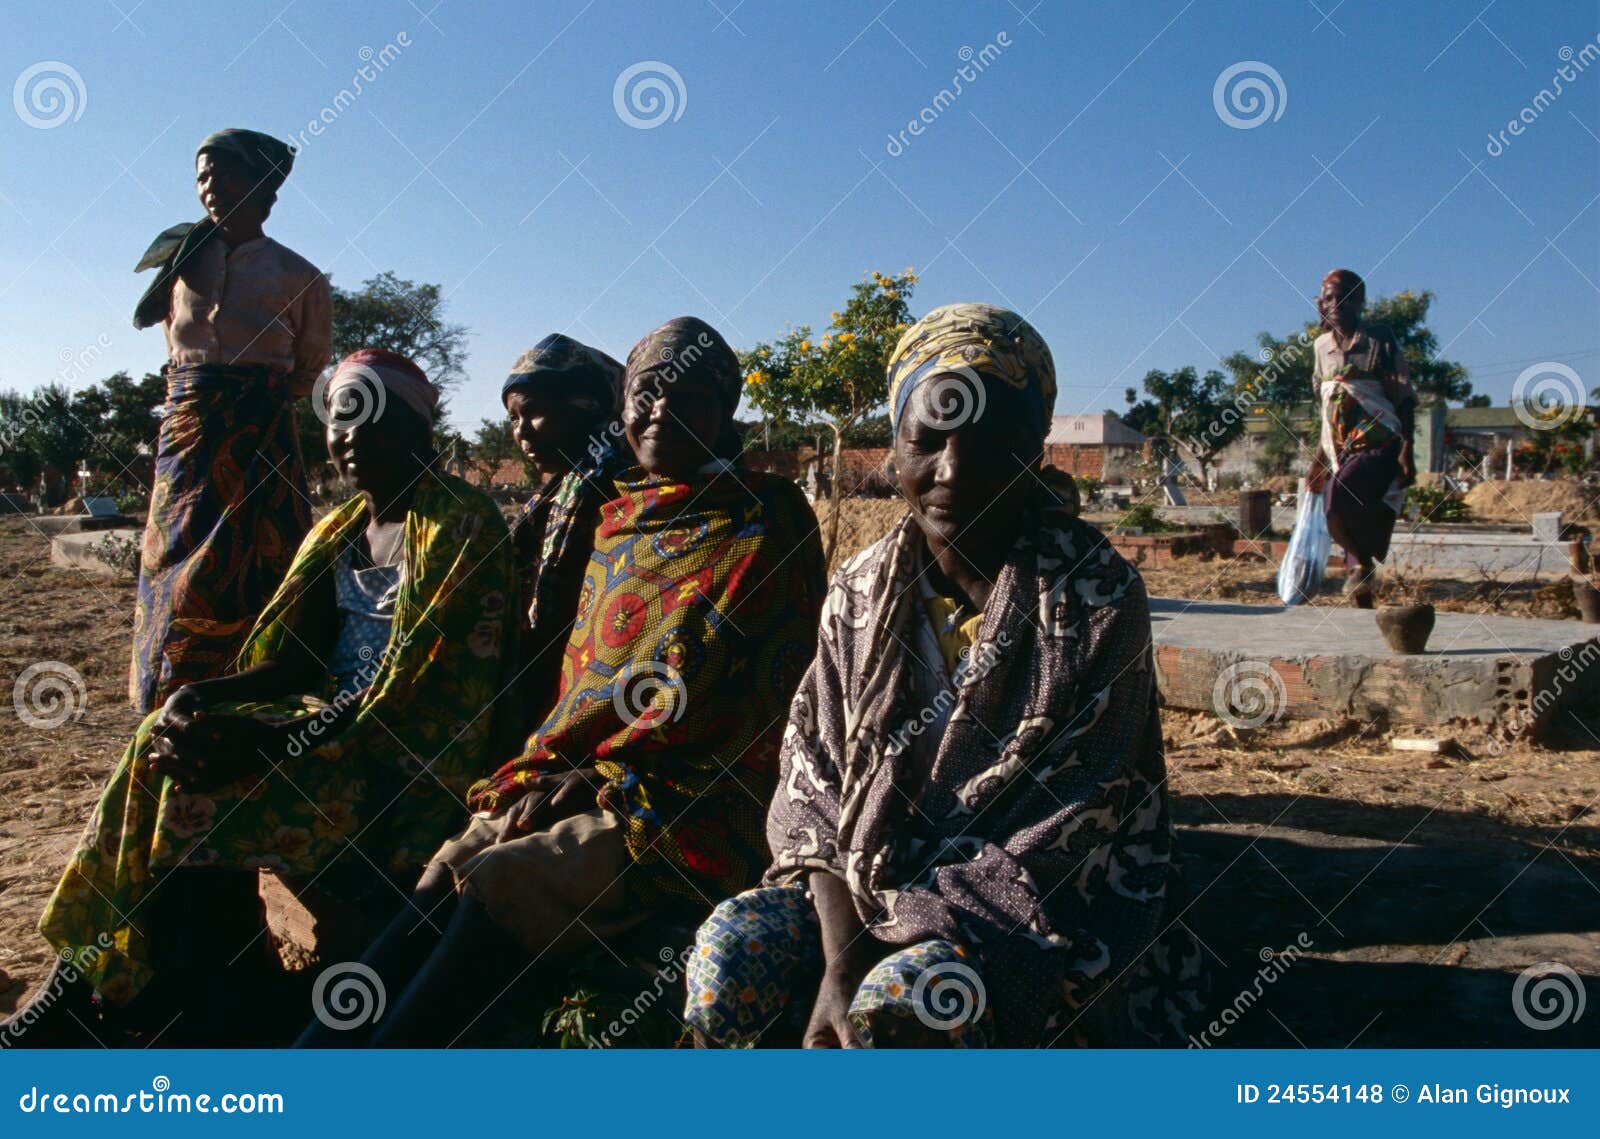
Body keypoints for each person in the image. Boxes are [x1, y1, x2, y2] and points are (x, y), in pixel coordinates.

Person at [685, 303, 1208, 1048]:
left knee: (910, 999)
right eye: (926, 440)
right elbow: (812, 785)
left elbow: (1071, 818)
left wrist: (894, 934)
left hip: (1022, 905)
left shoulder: (1096, 597)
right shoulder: (860, 591)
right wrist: (843, 954)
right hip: (854, 892)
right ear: (896, 443)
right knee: (729, 954)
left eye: (991, 443)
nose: (954, 471)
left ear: (1033, 448)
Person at [299, 317, 826, 1047]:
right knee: (453, 860)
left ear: (725, 410)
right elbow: (585, 687)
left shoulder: (766, 518)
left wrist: (611, 776)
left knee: (502, 880)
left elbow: (773, 700)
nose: (661, 411)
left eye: (691, 397)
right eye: (646, 393)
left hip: (689, 799)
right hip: (581, 770)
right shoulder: (619, 517)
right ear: (622, 404)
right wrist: (569, 765)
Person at [20, 351, 512, 1044]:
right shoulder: (342, 528)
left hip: (401, 755)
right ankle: (83, 983)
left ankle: (189, 1001)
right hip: (324, 727)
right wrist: (198, 695)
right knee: (161, 738)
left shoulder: (461, 521)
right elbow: (294, 662)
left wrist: (274, 744)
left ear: (416, 425)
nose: (351, 433)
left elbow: (410, 686)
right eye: (339, 416)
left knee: (195, 790)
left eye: (372, 415)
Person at [128, 129, 333, 713]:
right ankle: (169, 694)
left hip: (260, 441)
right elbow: (175, 355)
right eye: (201, 175)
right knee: (173, 560)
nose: (209, 186)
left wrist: (249, 406)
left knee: (257, 563)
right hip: (186, 440)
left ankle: (252, 691)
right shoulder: (180, 265)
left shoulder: (300, 277)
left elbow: (307, 368)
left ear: (262, 185)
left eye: (223, 173)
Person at [499, 334, 629, 730]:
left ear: (587, 407)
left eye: (534, 412)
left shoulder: (621, 487)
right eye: (513, 418)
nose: (522, 431)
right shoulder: (555, 494)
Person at [1305, 268, 1417, 608]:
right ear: (1320, 305)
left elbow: (1404, 397)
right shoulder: (1321, 347)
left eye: (1345, 298)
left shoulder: (1378, 339)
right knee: (1353, 515)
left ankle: (1363, 567)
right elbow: (1327, 411)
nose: (1335, 305)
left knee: (1337, 498)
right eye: (1328, 298)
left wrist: (1407, 450)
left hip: (1380, 443)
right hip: (1341, 450)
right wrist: (1319, 461)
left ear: (1360, 302)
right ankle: (1363, 594)